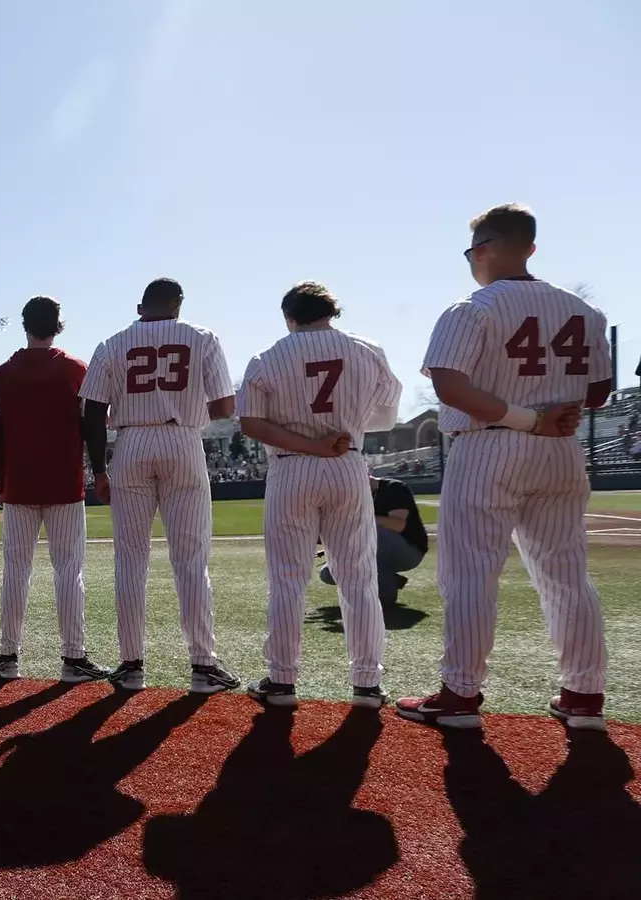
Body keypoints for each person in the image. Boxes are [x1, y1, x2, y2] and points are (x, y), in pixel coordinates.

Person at [398, 203, 611, 732]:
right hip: (560, 449)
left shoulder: (471, 308)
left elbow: (450, 387)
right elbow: (600, 392)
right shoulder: (585, 311)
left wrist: (528, 417)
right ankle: (584, 696)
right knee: (566, 572)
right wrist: (552, 411)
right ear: (530, 248)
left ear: (483, 249)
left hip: (490, 445)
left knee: (471, 571)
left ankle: (459, 694)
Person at [237, 281, 402, 709]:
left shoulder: (267, 357)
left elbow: (251, 423)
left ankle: (282, 680)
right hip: (348, 462)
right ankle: (367, 683)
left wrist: (310, 442)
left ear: (289, 316)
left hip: (291, 467)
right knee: (358, 578)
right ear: (332, 312)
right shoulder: (367, 349)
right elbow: (386, 417)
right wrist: (342, 427)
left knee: (288, 579)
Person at [81, 280, 242, 692]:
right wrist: (184, 406)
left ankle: (131, 664)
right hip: (182, 441)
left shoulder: (112, 343)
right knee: (191, 559)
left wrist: (99, 470)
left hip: (131, 442)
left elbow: (93, 411)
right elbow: (225, 406)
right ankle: (203, 665)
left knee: (130, 560)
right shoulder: (202, 337)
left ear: (140, 307)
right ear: (178, 304)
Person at [0, 297, 108, 683]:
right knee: (69, 571)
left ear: (25, 325)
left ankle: (8, 655)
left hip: (19, 487)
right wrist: (99, 470)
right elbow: (94, 426)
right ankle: (74, 657)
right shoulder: (77, 370)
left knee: (15, 572)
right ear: (58, 325)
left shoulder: (1, 375)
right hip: (64, 485)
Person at [319, 475, 427, 609]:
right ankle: (387, 578)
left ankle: (384, 594)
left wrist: (363, 519)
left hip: (409, 550)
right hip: (373, 549)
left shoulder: (395, 488)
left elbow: (398, 525)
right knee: (328, 573)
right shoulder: (352, 498)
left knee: (375, 535)